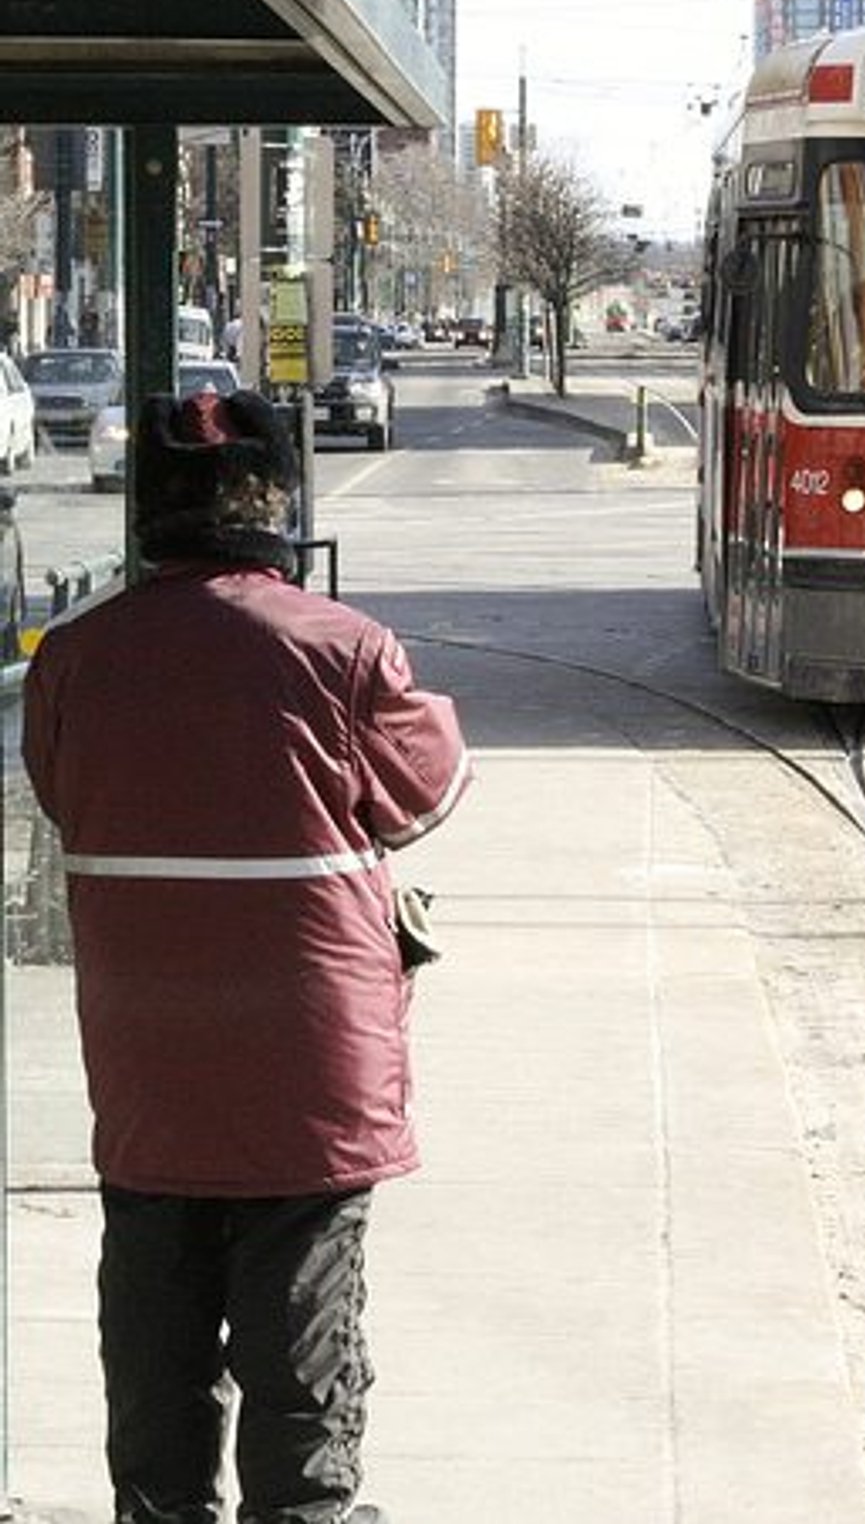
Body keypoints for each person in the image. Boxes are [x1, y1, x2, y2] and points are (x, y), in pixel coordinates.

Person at [22, 388, 472, 1524]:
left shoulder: (76, 659)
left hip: (148, 1059)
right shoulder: (347, 651)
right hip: (308, 1075)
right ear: (278, 505)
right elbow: (424, 787)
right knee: (301, 1344)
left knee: (153, 1328)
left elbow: (64, 796)